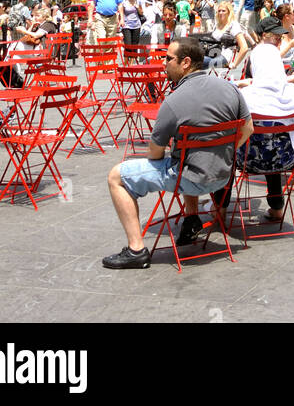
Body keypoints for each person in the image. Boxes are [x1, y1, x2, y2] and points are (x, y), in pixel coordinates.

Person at [102, 37, 253, 268]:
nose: (164, 63)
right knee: (184, 157)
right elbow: (248, 129)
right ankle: (191, 218)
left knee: (116, 176)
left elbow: (154, 154)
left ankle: (136, 250)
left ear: (185, 63)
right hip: (222, 176)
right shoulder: (230, 89)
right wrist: (224, 153)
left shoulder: (173, 101)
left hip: (192, 179)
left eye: (168, 58)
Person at [237, 19, 294, 224]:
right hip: (285, 159)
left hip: (247, 161)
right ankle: (277, 207)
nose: (278, 39)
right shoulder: (292, 94)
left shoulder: (247, 96)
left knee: (230, 143)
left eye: (279, 36)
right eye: (275, 36)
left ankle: (220, 210)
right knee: (273, 139)